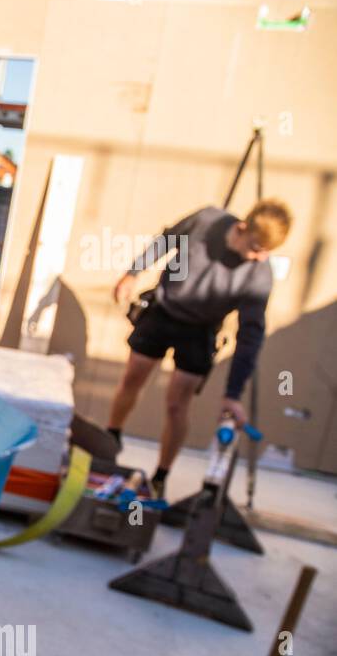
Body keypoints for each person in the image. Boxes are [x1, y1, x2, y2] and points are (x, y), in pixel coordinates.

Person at [107, 199, 290, 497]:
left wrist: (233, 394)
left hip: (201, 329)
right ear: (242, 228)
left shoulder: (258, 275)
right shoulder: (206, 221)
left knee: (177, 402)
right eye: (256, 247)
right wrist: (132, 273)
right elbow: (166, 241)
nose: (259, 257)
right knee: (133, 376)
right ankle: (111, 437)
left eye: (266, 253)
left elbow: (250, 335)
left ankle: (160, 477)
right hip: (164, 310)